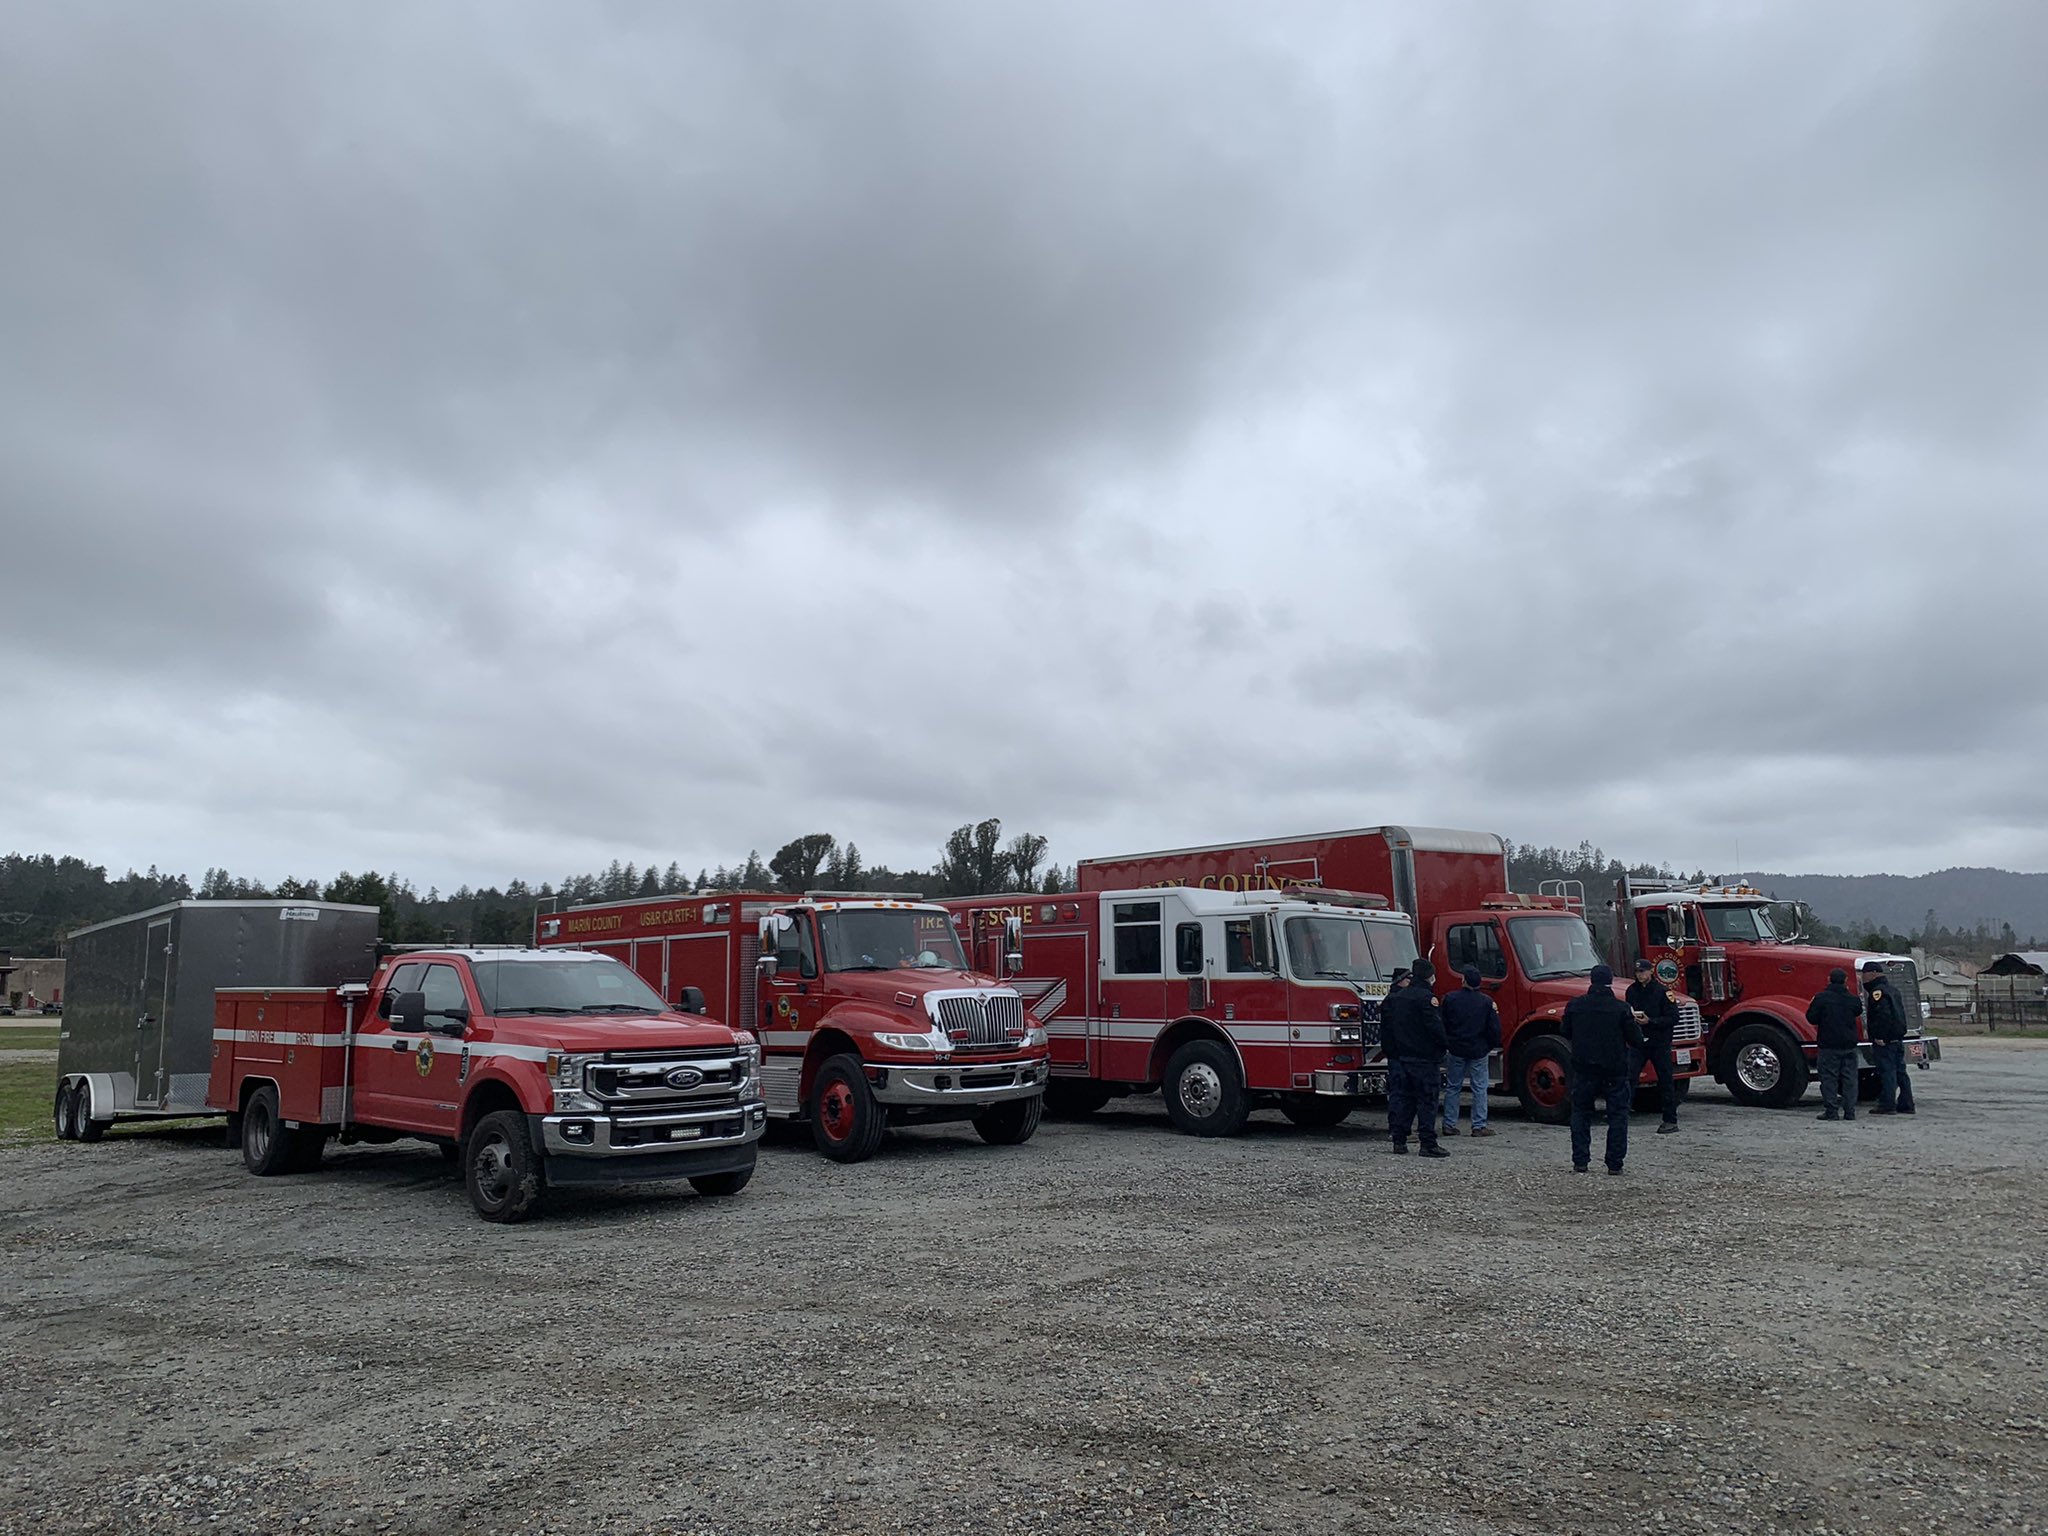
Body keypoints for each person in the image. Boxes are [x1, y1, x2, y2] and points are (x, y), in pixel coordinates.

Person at [1561, 964, 1645, 1174]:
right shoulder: (1621, 1008)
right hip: (1614, 1069)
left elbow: (1565, 1031)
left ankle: (1580, 1161)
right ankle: (1614, 1163)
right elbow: (1635, 1039)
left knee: (1580, 1113)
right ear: (1610, 981)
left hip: (1584, 1067)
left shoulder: (1575, 1005)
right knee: (1617, 1116)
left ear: (1591, 981)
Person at [1381, 959, 1449, 1157]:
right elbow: (1435, 1028)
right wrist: (1445, 1045)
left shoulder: (1396, 998)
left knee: (1404, 1100)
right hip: (1424, 1059)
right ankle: (1428, 1144)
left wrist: (1394, 1052)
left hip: (1402, 1058)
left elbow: (1388, 1030)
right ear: (1430, 976)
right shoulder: (1426, 998)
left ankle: (1399, 1141)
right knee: (1427, 1101)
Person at [1440, 965, 1502, 1138]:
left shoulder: (1450, 999)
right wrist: (1489, 1046)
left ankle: (1449, 1124)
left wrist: (1448, 1042)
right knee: (1480, 1088)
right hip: (1478, 1049)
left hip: (1456, 1048)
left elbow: (1443, 1023)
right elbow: (1494, 1029)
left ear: (1463, 981)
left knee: (1453, 1087)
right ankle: (1479, 1125)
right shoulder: (1486, 1002)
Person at [1625, 958, 1682, 1134]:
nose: (1639, 975)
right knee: (1629, 1077)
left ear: (1651, 972)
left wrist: (1651, 1021)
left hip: (1659, 1041)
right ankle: (1622, 1113)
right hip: (1639, 1041)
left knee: (1665, 1080)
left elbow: (1673, 1018)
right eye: (1637, 972)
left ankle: (1670, 1119)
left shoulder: (1663, 992)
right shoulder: (1632, 991)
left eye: (1642, 971)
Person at [1804, 967, 1863, 1121]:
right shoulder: (1853, 999)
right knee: (1850, 1079)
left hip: (1829, 1044)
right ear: (1845, 981)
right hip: (1849, 1044)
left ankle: (1831, 1111)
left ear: (1829, 979)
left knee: (1829, 1078)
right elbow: (1858, 1011)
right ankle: (1850, 1111)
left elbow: (1811, 1018)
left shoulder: (1821, 998)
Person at [1862, 960, 1916, 1116]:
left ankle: (1887, 1104)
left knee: (1887, 1072)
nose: (1863, 979)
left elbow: (1883, 1015)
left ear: (1872, 973)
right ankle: (1907, 1103)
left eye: (1864, 975)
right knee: (1901, 1072)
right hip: (1897, 1038)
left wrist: (1879, 1035)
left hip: (1885, 1040)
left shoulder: (1877, 993)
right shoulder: (1893, 990)